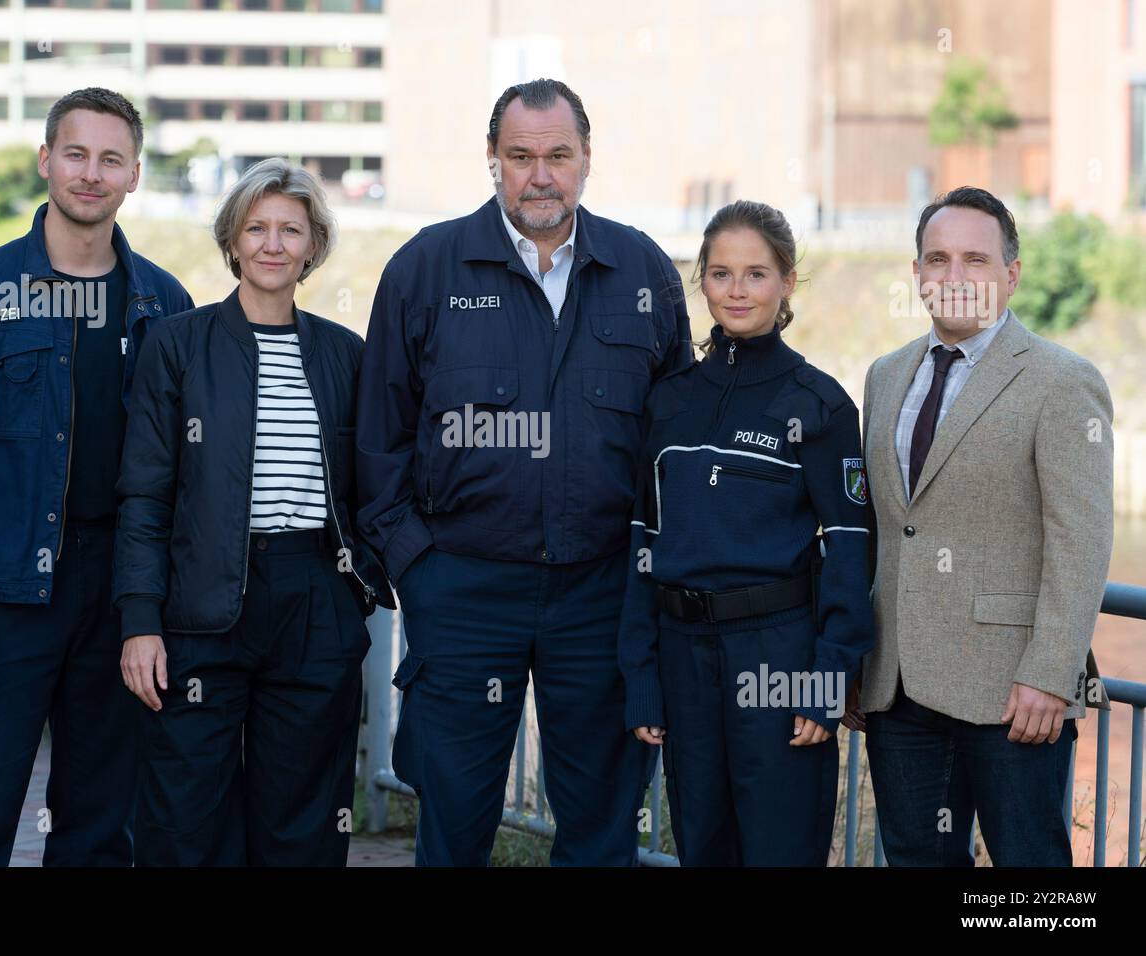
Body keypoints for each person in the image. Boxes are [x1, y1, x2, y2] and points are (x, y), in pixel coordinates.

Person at [357, 78, 693, 866]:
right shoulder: (424, 270)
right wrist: (421, 572)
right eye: (520, 157)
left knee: (602, 824)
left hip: (603, 595)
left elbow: (676, 441)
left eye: (558, 156)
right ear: (492, 160)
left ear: (586, 160)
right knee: (454, 817)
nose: (540, 175)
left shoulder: (643, 270)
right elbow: (377, 444)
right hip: (465, 591)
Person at [0, 88, 193, 865]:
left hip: (120, 598)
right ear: (45, 162)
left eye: (110, 159)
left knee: (101, 826)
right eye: (75, 154)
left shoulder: (165, 306)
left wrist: (153, 608)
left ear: (134, 176)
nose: (90, 174)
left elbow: (189, 471)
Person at [113, 157, 391, 866]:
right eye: (256, 228)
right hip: (202, 601)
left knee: (301, 818)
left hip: (314, 602)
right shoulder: (177, 346)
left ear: (312, 246)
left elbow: (373, 489)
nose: (273, 244)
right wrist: (140, 622)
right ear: (232, 241)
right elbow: (144, 494)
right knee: (184, 816)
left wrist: (358, 588)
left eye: (290, 230)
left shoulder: (345, 355)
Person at [845, 186, 1114, 866]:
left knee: (1028, 869)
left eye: (975, 258)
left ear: (1011, 274)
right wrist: (854, 657)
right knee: (916, 858)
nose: (954, 277)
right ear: (917, 275)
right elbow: (881, 529)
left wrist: (1051, 674)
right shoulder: (885, 375)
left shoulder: (1061, 381)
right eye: (937, 259)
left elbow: (1080, 538)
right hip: (897, 686)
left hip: (1012, 691)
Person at [618, 200, 874, 865]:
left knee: (779, 845)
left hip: (778, 655)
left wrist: (827, 681)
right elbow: (642, 542)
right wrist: (643, 677)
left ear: (788, 281)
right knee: (703, 843)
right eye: (722, 273)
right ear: (701, 279)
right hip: (683, 656)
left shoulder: (817, 404)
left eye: (757, 274)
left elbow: (850, 548)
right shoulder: (669, 402)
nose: (737, 290)